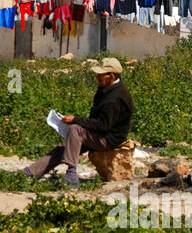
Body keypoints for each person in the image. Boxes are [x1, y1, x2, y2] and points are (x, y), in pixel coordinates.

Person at [24, 57, 134, 187]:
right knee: (63, 148)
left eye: (101, 74)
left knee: (75, 130)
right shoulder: (107, 88)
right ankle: (31, 172)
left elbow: (104, 125)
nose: (97, 77)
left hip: (109, 138)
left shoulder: (115, 97)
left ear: (111, 76)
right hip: (100, 133)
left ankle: (71, 174)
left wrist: (76, 120)